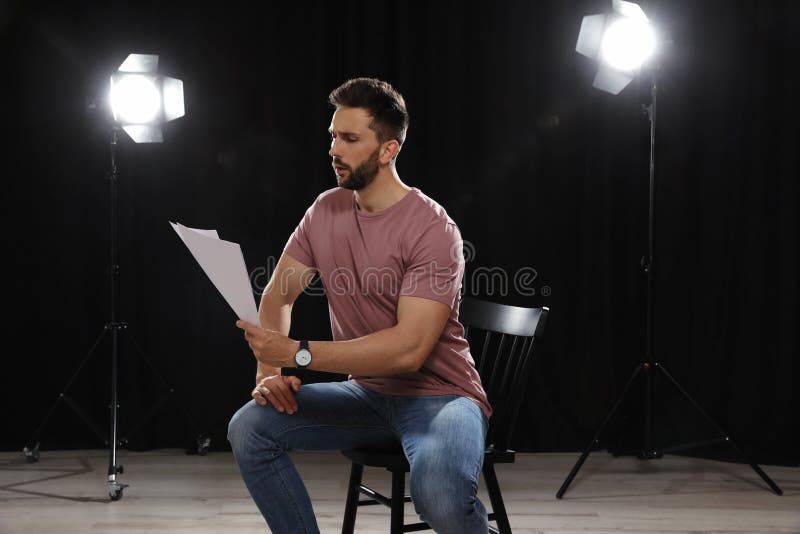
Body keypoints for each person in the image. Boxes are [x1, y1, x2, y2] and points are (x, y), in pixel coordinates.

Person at [227, 77, 491, 534]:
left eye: (350, 139)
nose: (335, 149)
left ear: (388, 150)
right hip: (366, 395)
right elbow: (276, 295)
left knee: (441, 496)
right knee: (250, 428)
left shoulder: (433, 228)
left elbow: (408, 350)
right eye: (333, 135)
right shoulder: (325, 209)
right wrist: (269, 375)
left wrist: (296, 354)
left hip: (442, 398)